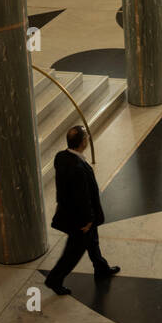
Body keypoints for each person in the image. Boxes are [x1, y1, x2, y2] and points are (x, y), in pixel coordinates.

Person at [45, 125, 120, 296]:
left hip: (71, 212)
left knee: (93, 242)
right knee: (73, 251)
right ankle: (54, 280)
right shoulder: (78, 168)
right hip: (80, 219)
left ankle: (101, 268)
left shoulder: (61, 157)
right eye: (86, 136)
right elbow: (82, 197)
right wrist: (88, 220)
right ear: (82, 142)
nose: (88, 138)